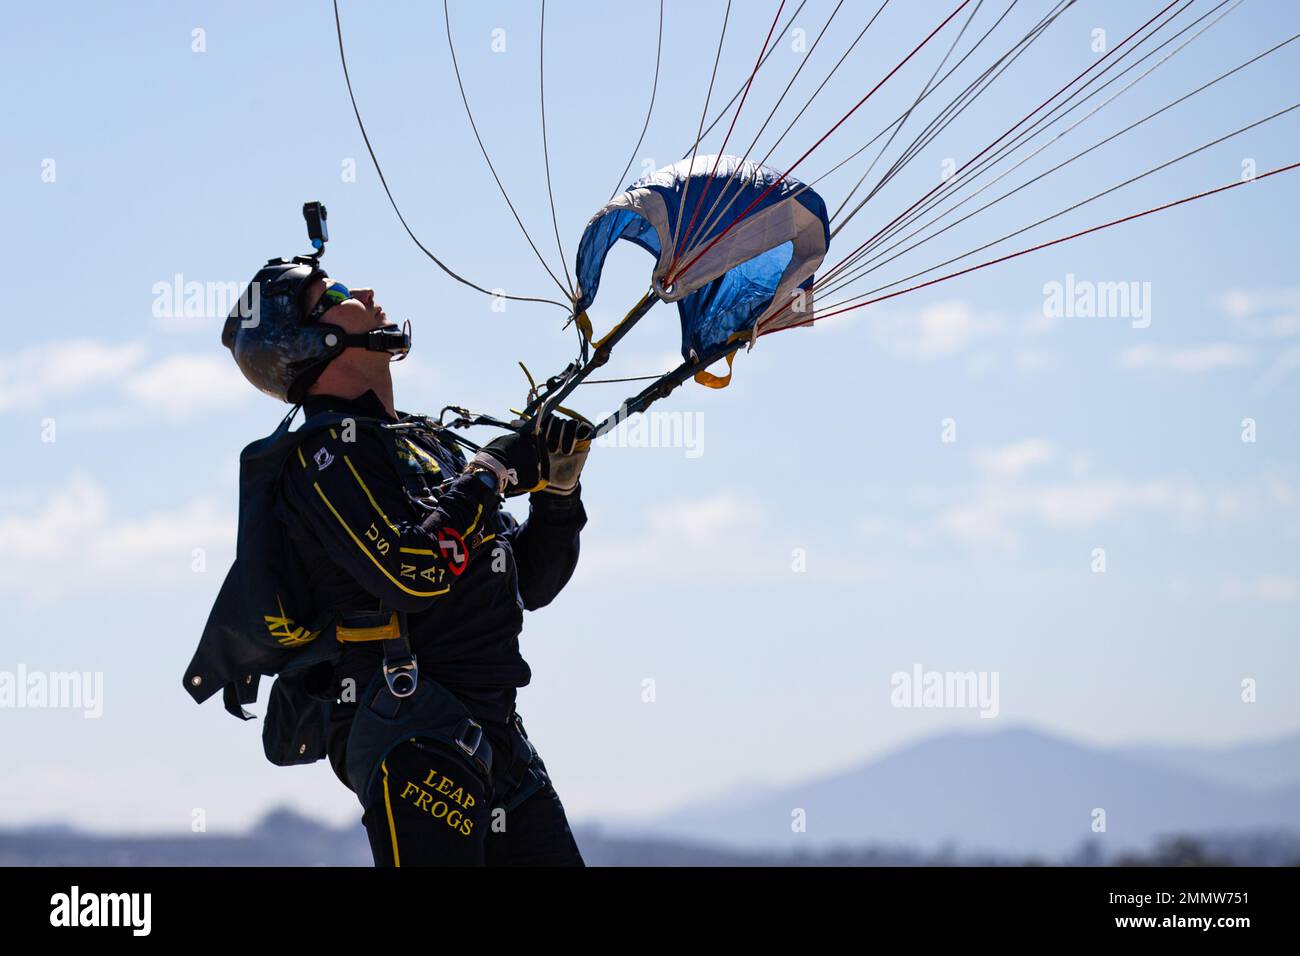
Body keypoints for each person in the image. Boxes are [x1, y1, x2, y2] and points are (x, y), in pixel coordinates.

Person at [192, 252, 591, 866]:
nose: (367, 291)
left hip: (498, 737)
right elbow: (412, 572)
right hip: (416, 734)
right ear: (315, 338)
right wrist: (488, 475)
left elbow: (527, 582)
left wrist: (559, 497)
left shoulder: (424, 443)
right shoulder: (323, 460)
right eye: (335, 293)